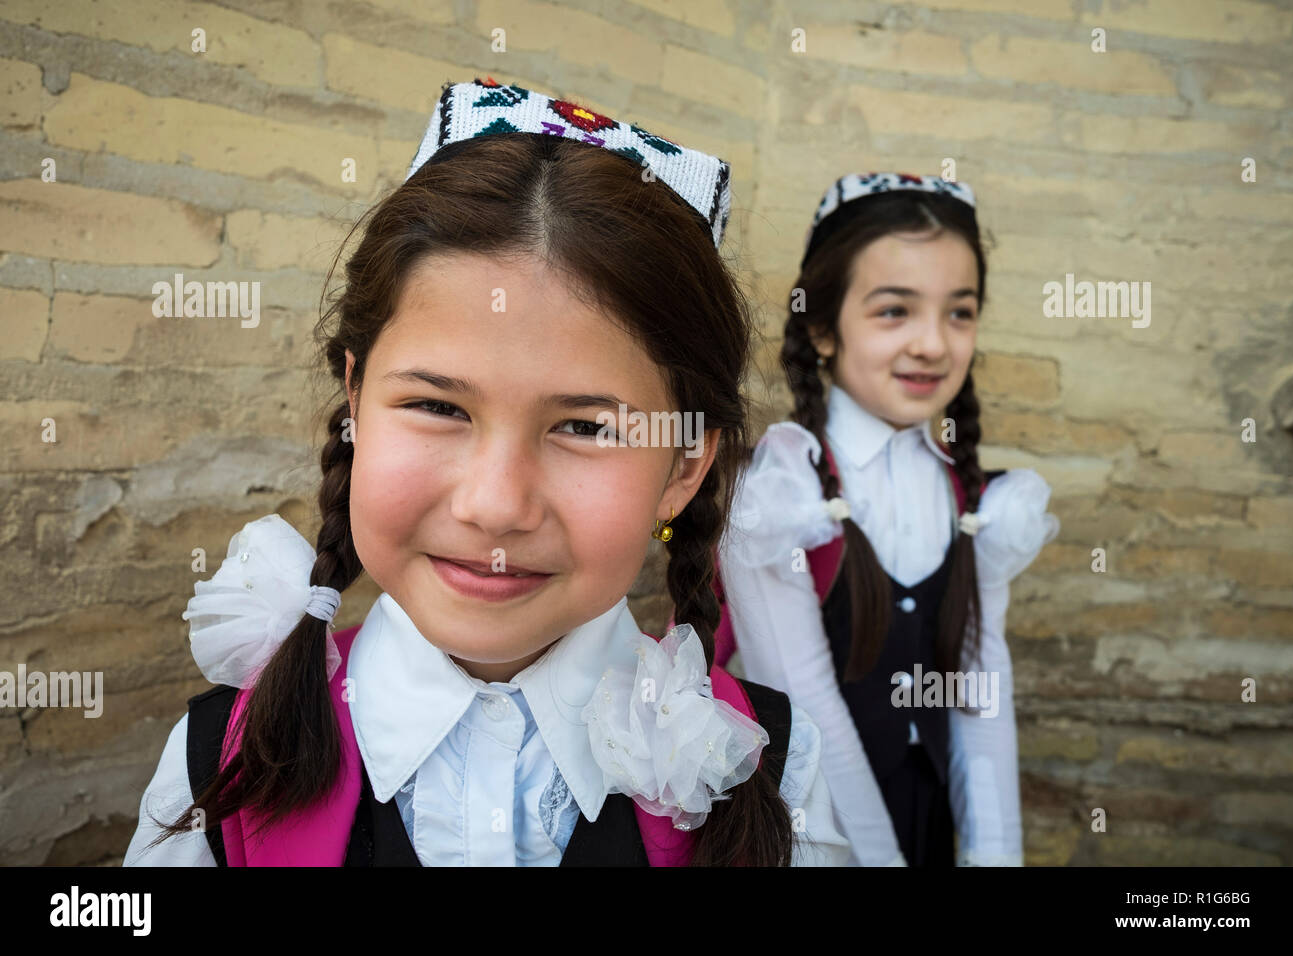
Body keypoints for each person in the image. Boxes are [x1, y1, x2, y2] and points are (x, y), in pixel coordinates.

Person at [122, 78, 849, 867]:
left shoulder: (775, 775)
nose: (496, 507)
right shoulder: (214, 769)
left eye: (583, 427)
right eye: (438, 407)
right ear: (356, 401)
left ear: (683, 466)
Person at [717, 172, 1060, 866]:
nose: (934, 344)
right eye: (894, 311)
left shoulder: (978, 502)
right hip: (809, 834)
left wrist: (992, 857)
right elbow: (806, 707)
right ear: (821, 327)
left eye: (959, 313)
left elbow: (979, 692)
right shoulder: (781, 491)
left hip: (922, 824)